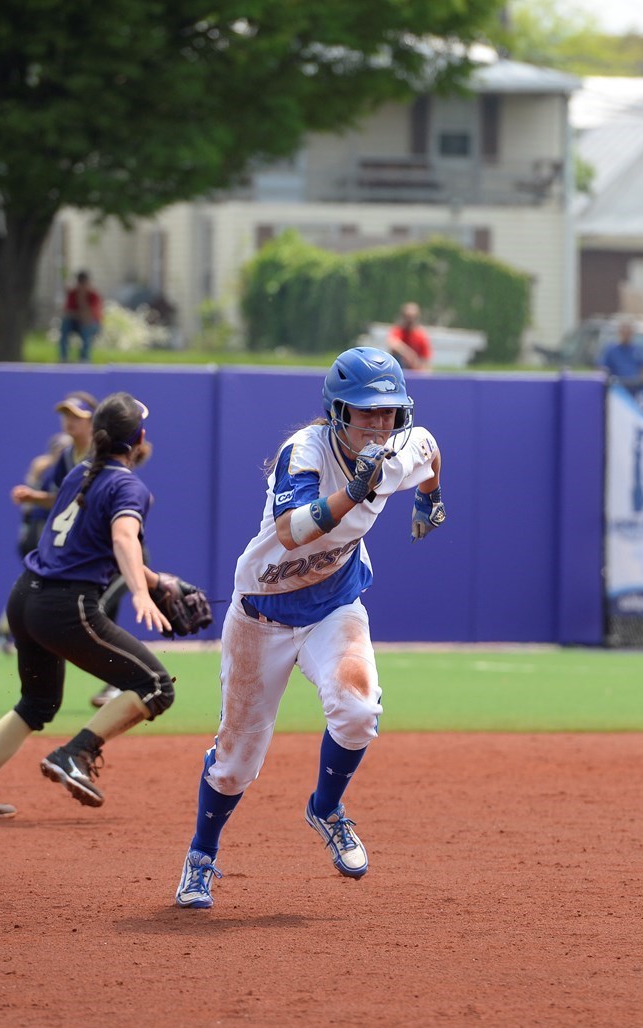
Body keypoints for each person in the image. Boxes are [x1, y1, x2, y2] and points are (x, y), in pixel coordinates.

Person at [174, 345, 448, 909]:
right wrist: (356, 490)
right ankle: (202, 854)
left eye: (388, 410)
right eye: (363, 410)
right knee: (235, 762)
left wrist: (429, 500)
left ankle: (326, 809)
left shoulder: (401, 445)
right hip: (262, 615)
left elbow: (430, 453)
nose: (378, 422)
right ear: (336, 412)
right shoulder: (303, 452)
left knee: (358, 709)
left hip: (333, 606)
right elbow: (294, 531)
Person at [0, 392, 182, 821]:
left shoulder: (79, 472)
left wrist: (159, 580)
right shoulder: (129, 485)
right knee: (155, 686)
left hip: (26, 596)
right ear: (140, 439)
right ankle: (74, 754)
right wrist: (139, 592)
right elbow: (123, 539)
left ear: (96, 436)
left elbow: (95, 543)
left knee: (37, 703)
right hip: (64, 603)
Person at [2, 392, 131, 707]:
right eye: (66, 415)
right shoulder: (66, 458)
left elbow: (121, 501)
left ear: (93, 420)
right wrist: (35, 497)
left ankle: (125, 681)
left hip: (116, 558)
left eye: (77, 415)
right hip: (89, 558)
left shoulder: (107, 454)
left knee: (92, 615)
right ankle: (119, 681)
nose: (69, 420)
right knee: (84, 616)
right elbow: (62, 498)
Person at [0, 430, 73, 653]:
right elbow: (43, 504)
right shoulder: (53, 470)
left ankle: (6, 628)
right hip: (40, 532)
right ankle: (12, 629)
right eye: (62, 448)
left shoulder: (48, 469)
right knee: (38, 582)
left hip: (37, 531)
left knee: (36, 582)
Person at [58, 270, 104, 363]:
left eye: (84, 283)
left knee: (85, 327)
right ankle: (63, 357)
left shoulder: (93, 296)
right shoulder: (72, 294)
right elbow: (67, 312)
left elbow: (88, 317)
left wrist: (82, 299)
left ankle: (84, 358)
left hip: (92, 324)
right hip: (75, 322)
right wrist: (78, 314)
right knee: (65, 324)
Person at [385, 302, 432, 370]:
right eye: (407, 317)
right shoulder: (398, 331)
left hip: (414, 371)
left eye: (413, 317)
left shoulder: (421, 335)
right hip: (398, 369)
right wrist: (409, 354)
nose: (410, 320)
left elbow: (426, 360)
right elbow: (393, 343)